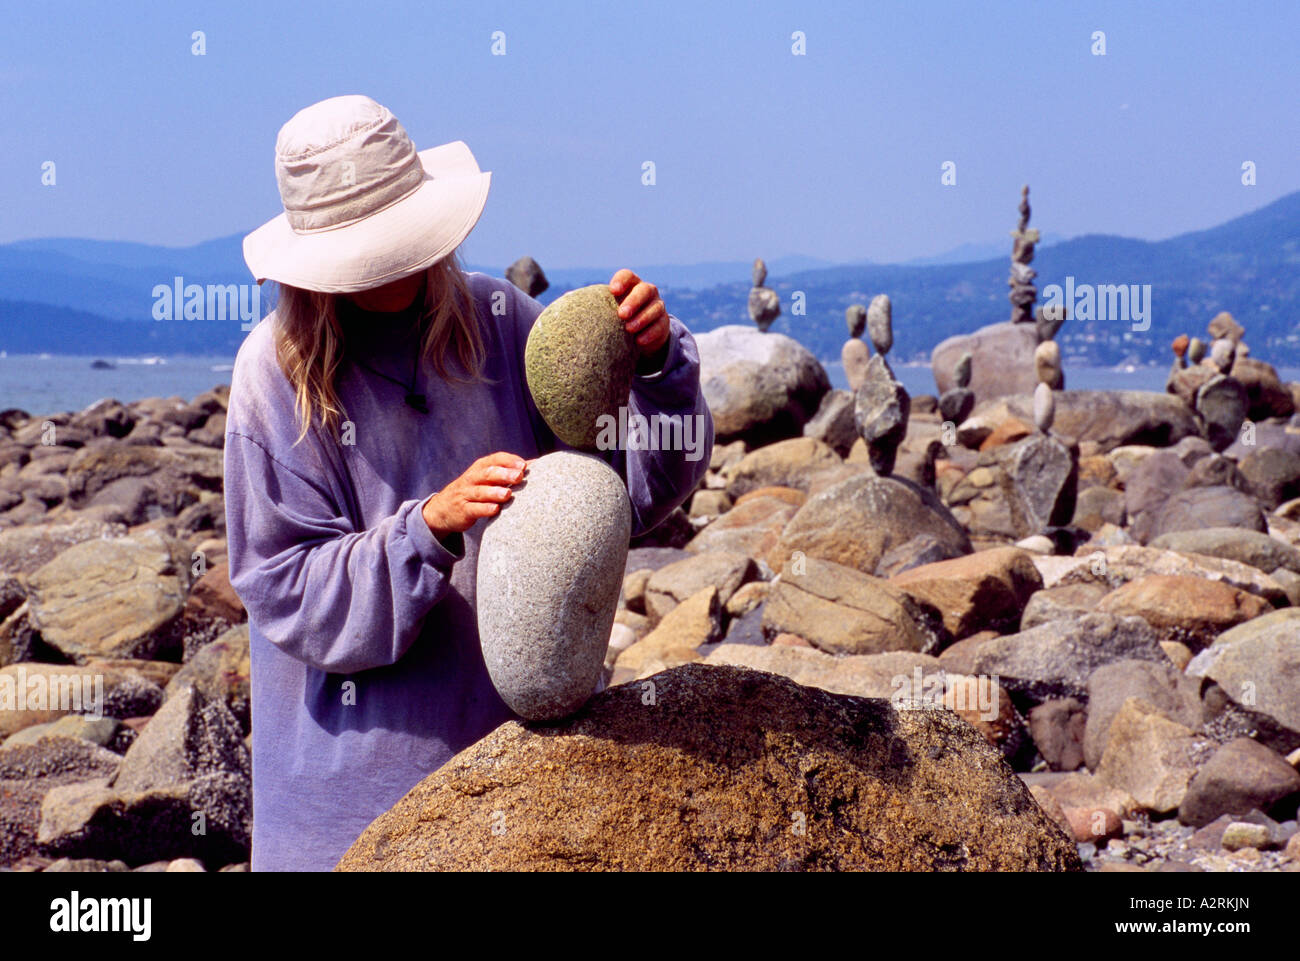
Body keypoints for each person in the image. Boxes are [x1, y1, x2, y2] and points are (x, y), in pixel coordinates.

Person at [224, 95, 713, 871]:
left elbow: (624, 501)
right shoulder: (273, 376)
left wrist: (654, 370)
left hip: (508, 787)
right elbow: (284, 587)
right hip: (340, 821)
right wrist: (428, 529)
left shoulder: (498, 319)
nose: (400, 265)